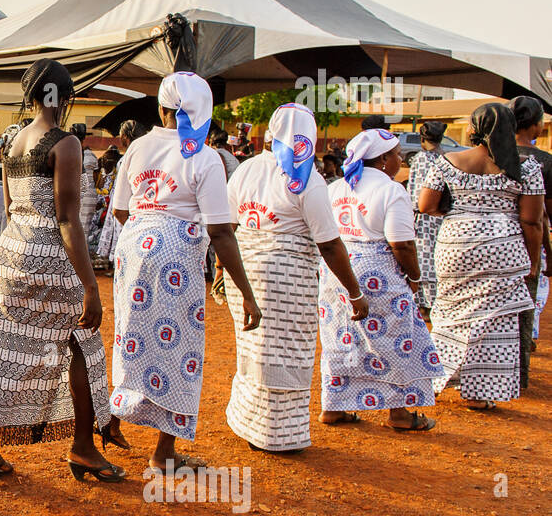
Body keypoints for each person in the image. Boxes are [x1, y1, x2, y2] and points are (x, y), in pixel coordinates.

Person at [0, 60, 121, 483]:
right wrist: (91, 287)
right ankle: (84, 448)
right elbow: (68, 219)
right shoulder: (66, 144)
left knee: (4, 349)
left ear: (31, 94)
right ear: (65, 96)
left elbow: (8, 206)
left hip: (11, 252)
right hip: (50, 258)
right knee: (81, 344)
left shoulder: (11, 142)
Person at [109, 72, 261, 472]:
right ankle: (163, 453)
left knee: (130, 336)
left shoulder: (137, 147)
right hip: (177, 255)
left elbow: (121, 210)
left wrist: (149, 231)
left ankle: (111, 415)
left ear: (160, 109)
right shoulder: (206, 156)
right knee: (181, 349)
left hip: (134, 249)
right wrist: (243, 290)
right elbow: (220, 231)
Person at [224, 103, 367, 452]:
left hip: (244, 271)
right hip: (285, 279)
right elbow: (330, 245)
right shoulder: (308, 181)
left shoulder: (245, 169)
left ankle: (250, 425)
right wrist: (355, 293)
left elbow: (227, 226)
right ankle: (277, 436)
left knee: (255, 350)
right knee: (287, 354)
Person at [419, 104, 543, 409]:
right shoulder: (525, 167)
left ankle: (432, 379)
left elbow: (426, 205)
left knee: (449, 313)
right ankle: (481, 393)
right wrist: (534, 261)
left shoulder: (447, 161)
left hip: (455, 247)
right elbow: (531, 221)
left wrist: (463, 215)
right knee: (495, 322)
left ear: (474, 128)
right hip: (503, 250)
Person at [320, 128, 444, 429]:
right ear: (384, 159)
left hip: (337, 271)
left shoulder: (336, 188)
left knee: (342, 339)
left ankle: (333, 407)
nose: (401, 159)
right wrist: (414, 276)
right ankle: (400, 414)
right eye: (398, 154)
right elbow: (401, 243)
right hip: (379, 274)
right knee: (395, 340)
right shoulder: (391, 190)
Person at [512, 96, 552, 385]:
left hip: (491, 242)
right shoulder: (544, 162)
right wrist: (543, 254)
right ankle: (519, 374)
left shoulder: (487, 154)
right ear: (537, 125)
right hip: (528, 244)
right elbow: (541, 217)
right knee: (524, 307)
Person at [406, 121, 448, 313]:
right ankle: (435, 303)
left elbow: (415, 192)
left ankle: (424, 304)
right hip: (442, 216)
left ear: (423, 140)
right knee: (437, 258)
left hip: (423, 216)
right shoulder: (446, 158)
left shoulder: (421, 159)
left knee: (423, 257)